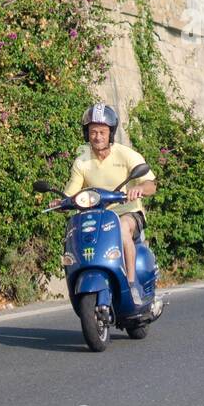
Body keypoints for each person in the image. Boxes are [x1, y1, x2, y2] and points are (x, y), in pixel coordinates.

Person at [57, 103, 157, 305]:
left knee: (121, 229)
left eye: (102, 132)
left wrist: (139, 189)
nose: (98, 136)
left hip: (128, 212)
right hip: (97, 216)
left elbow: (150, 184)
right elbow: (72, 190)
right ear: (87, 134)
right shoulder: (82, 161)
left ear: (111, 133)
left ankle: (130, 285)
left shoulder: (126, 154)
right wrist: (62, 201)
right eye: (93, 132)